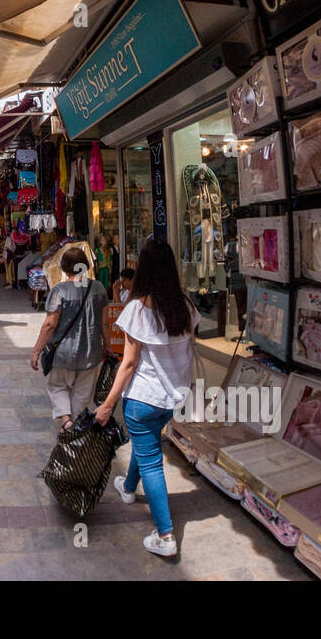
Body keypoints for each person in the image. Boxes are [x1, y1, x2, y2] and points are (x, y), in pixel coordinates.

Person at [95, 239, 200, 558]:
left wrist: (108, 403)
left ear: (143, 269)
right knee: (148, 444)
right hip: (172, 399)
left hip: (142, 400)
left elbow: (128, 364)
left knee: (152, 461)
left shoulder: (138, 309)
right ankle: (128, 488)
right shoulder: (185, 305)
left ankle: (165, 535)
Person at [29, 246, 110, 431]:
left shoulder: (59, 291)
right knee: (82, 394)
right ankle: (73, 428)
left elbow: (50, 324)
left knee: (58, 387)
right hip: (91, 351)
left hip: (63, 353)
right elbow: (104, 323)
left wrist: (36, 351)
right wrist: (108, 345)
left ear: (64, 268)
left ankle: (67, 422)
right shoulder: (98, 288)